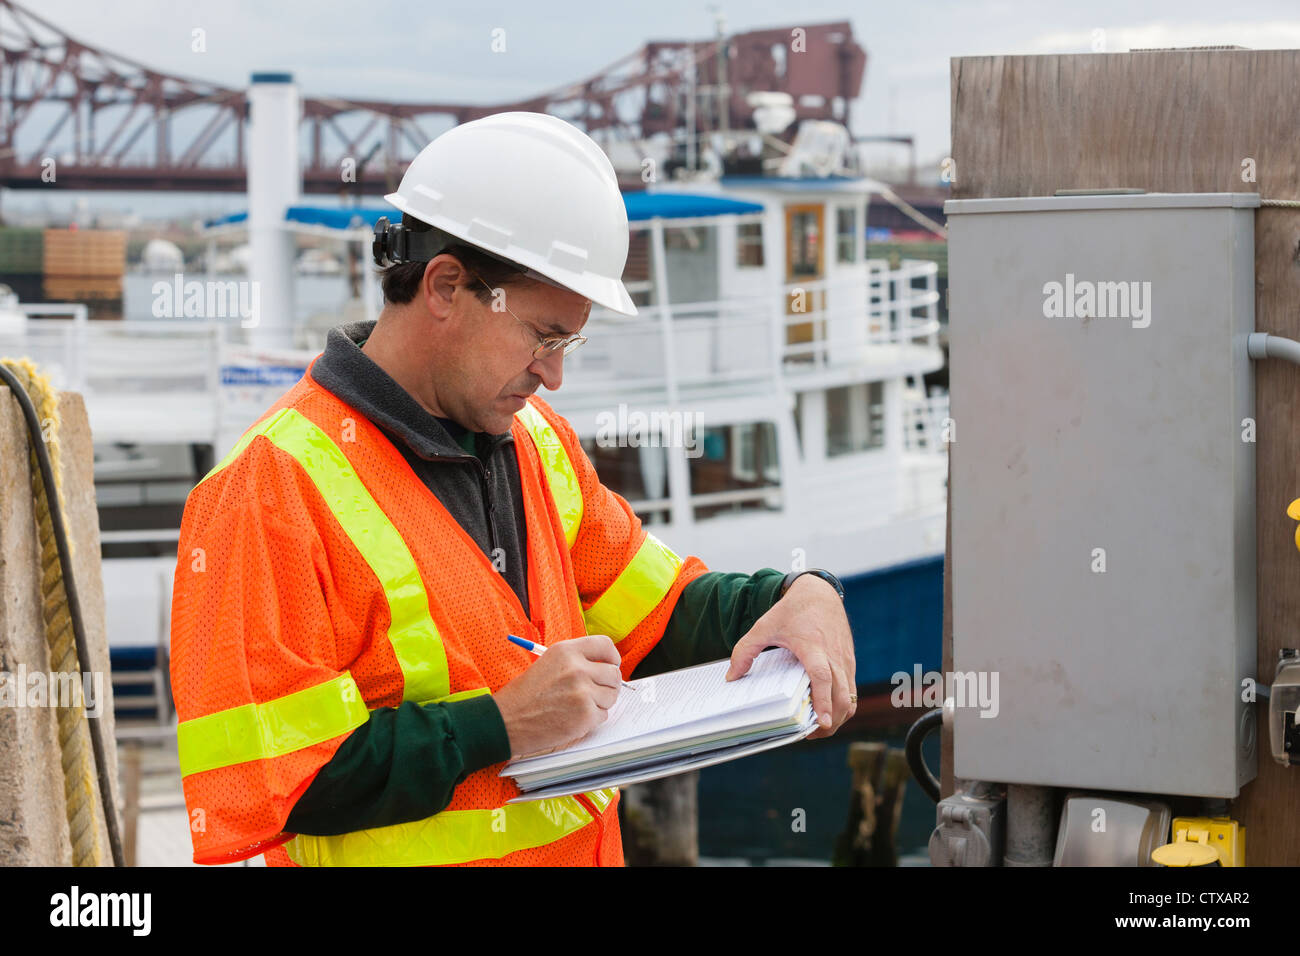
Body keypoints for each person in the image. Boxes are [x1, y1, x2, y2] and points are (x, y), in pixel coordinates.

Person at [170, 111, 855, 867]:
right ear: (446, 286)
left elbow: (660, 613)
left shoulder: (536, 442)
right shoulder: (268, 490)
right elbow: (270, 784)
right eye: (543, 336)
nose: (554, 374)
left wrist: (797, 596)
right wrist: (501, 725)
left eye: (570, 342)